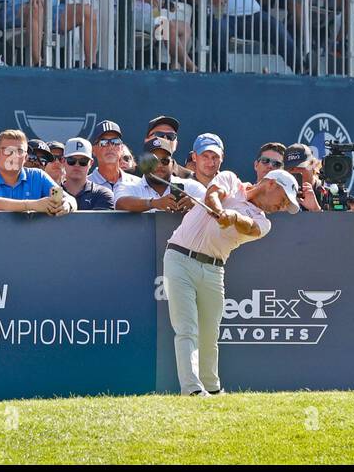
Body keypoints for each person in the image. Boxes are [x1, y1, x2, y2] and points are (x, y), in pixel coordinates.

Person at [164, 163, 300, 395]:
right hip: (178, 258)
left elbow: (251, 228)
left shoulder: (265, 222)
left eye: (288, 203)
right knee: (186, 328)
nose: (283, 206)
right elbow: (212, 195)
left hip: (214, 269)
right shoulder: (230, 179)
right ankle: (193, 390)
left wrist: (234, 217)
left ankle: (212, 388)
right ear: (270, 183)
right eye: (284, 198)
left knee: (210, 334)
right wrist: (218, 210)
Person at [0, 130, 76, 214]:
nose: (14, 156)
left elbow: (68, 198)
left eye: (19, 151)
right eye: (8, 150)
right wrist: (32, 205)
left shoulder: (38, 176)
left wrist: (67, 204)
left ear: (26, 157)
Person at [115, 138, 204, 214]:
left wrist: (196, 203)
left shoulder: (189, 186)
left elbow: (212, 203)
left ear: (172, 164)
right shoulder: (129, 185)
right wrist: (154, 203)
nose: (159, 165)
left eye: (164, 161)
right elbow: (120, 203)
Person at [58, 137, 116, 210]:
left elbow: (102, 221)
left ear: (91, 163)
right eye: (71, 160)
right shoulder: (53, 193)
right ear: (63, 161)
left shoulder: (102, 194)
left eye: (83, 161)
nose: (77, 165)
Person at [88, 121, 139, 193]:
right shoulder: (83, 186)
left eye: (115, 141)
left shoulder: (138, 185)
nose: (110, 146)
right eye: (104, 142)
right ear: (93, 150)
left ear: (121, 148)